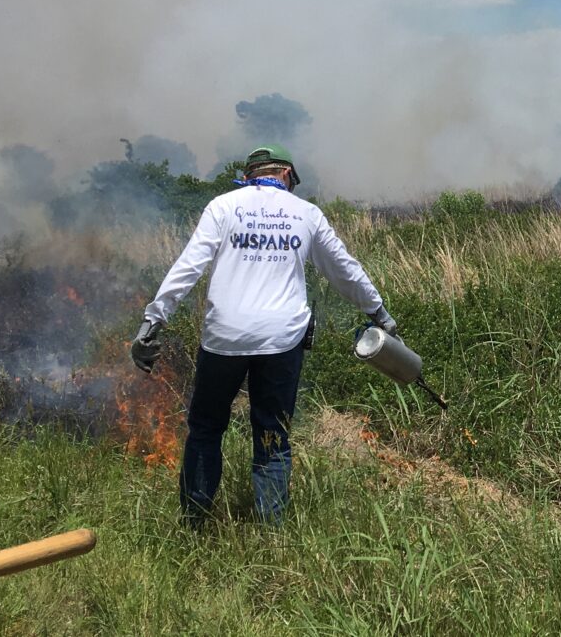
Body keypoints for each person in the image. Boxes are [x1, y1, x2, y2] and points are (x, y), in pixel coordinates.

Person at [131, 143, 399, 525]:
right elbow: (344, 270)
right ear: (287, 175)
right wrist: (380, 314)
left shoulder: (223, 206)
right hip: (281, 340)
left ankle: (194, 524)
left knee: (206, 429)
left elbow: (188, 266)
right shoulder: (306, 214)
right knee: (272, 436)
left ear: (249, 174)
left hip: (224, 338)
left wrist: (153, 320)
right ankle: (272, 535)